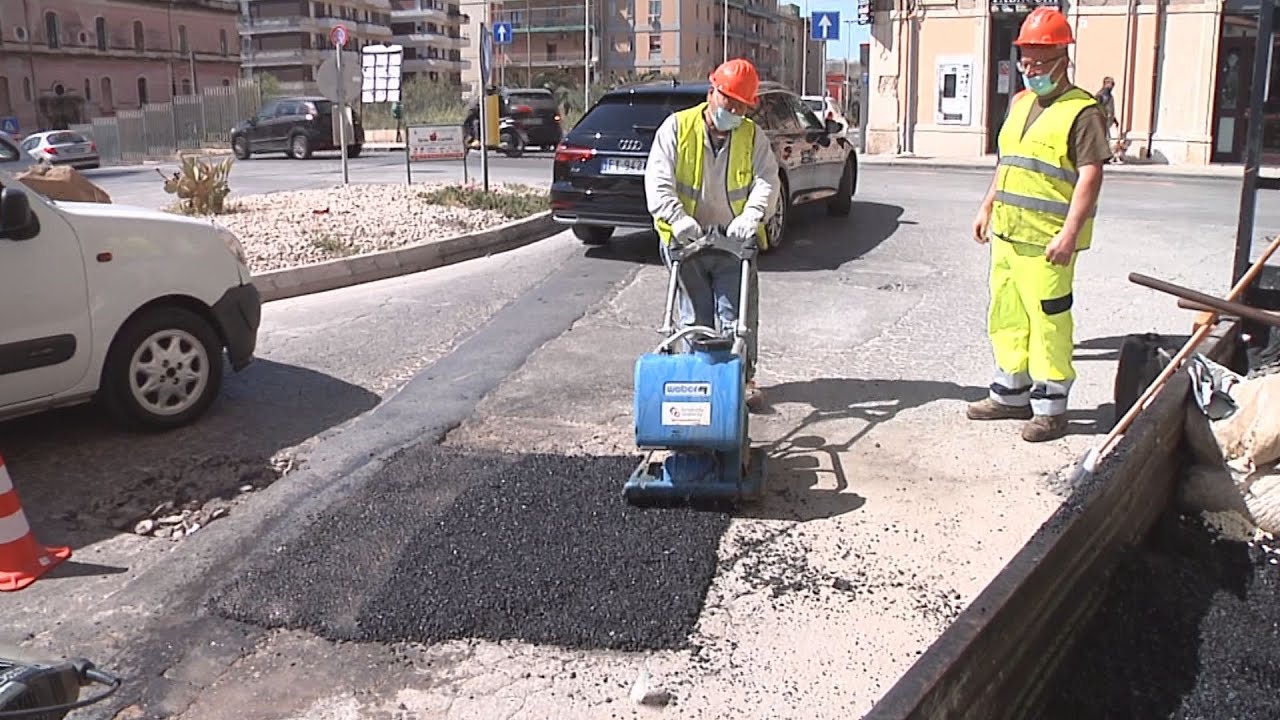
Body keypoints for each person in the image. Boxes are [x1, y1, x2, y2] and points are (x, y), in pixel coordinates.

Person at [968, 7, 1111, 443]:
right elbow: (1008, 161)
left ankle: (1051, 409)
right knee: (1007, 313)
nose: (1029, 70)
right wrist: (987, 206)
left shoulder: (1083, 112)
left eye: (1038, 62)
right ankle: (1010, 394)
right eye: (1025, 61)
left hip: (1048, 240)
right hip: (1009, 234)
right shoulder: (1020, 103)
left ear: (1062, 59)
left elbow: (1090, 175)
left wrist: (1069, 233)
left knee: (1049, 322)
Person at [643, 58, 780, 411]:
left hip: (733, 243)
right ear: (712, 92)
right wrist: (677, 220)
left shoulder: (752, 137)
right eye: (728, 102)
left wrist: (752, 215)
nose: (732, 111)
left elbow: (767, 180)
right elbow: (658, 183)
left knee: (736, 319)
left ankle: (741, 379)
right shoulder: (676, 128)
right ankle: (697, 385)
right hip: (686, 241)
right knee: (695, 319)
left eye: (740, 106)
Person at [1095, 76, 1123, 163]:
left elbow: (1110, 109)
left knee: (1107, 139)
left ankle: (1106, 157)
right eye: (1110, 84)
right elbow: (1097, 108)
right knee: (1102, 139)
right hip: (1101, 121)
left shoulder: (1110, 96)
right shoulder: (1100, 95)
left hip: (1108, 121)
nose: (1112, 86)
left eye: (1113, 84)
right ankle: (1101, 157)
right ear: (1105, 84)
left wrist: (1114, 119)